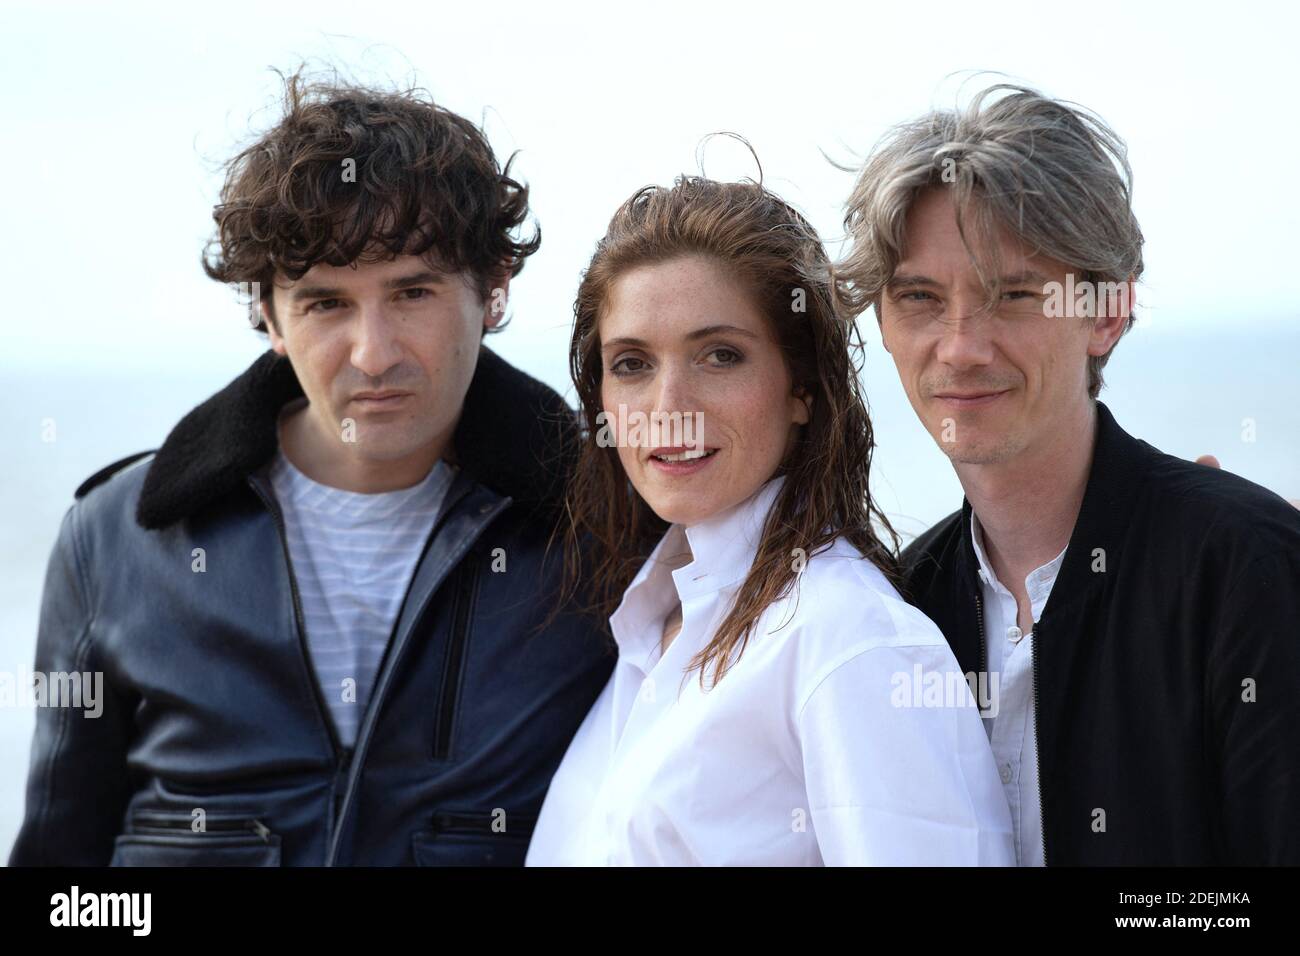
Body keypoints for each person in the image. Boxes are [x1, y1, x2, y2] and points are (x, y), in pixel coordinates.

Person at [9, 70, 612, 866]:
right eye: (327, 303)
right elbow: (63, 877)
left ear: (494, 288)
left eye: (412, 293)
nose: (374, 354)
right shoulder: (112, 540)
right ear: (269, 315)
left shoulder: (613, 527)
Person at [836, 83, 1300, 864]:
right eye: (919, 298)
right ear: (881, 321)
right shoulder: (900, 611)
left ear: (1107, 312)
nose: (960, 348)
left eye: (1012, 295)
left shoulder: (1244, 565)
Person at [525, 174, 1015, 866]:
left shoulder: (850, 639)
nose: (669, 406)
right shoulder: (650, 624)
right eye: (631, 364)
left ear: (802, 389)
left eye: (720, 355)